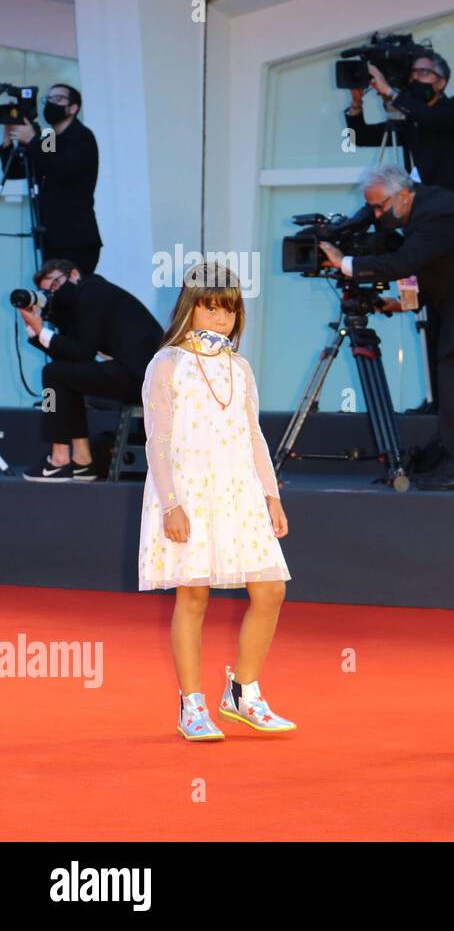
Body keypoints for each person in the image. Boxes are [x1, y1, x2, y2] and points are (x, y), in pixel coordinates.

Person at [138, 262, 295, 742]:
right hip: (188, 491)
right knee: (194, 595)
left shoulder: (240, 366)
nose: (220, 319)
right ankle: (192, 705)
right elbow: (157, 440)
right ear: (191, 308)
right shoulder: (166, 364)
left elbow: (254, 435)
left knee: (270, 589)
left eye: (228, 310)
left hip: (241, 491)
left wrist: (272, 495)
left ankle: (243, 693)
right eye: (210, 308)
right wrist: (170, 503)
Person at [318, 164, 454, 490]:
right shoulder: (425, 209)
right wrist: (402, 303)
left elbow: (406, 262)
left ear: (403, 195)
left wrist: (345, 263)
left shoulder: (436, 212)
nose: (375, 216)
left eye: (379, 207)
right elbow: (438, 265)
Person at [19, 258, 162, 483]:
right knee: (62, 376)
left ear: (74, 274)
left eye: (55, 285)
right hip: (139, 375)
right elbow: (73, 356)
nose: (53, 294)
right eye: (47, 292)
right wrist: (34, 330)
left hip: (143, 376)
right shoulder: (86, 298)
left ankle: (59, 459)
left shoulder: (91, 291)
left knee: (53, 373)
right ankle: (83, 461)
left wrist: (41, 332)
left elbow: (83, 352)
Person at [345, 51, 454, 206]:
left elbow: (430, 117)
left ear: (442, 82)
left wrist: (390, 92)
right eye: (412, 73)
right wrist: (356, 103)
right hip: (426, 210)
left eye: (423, 72)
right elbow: (357, 138)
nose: (415, 78)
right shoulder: (412, 122)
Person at [1, 83, 103, 274]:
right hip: (51, 237)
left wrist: (32, 140)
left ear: (73, 108)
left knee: (73, 296)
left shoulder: (82, 136)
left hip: (75, 238)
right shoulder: (49, 137)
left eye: (57, 99)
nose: (50, 103)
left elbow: (60, 169)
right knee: (52, 298)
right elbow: (21, 171)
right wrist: (8, 142)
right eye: (48, 99)